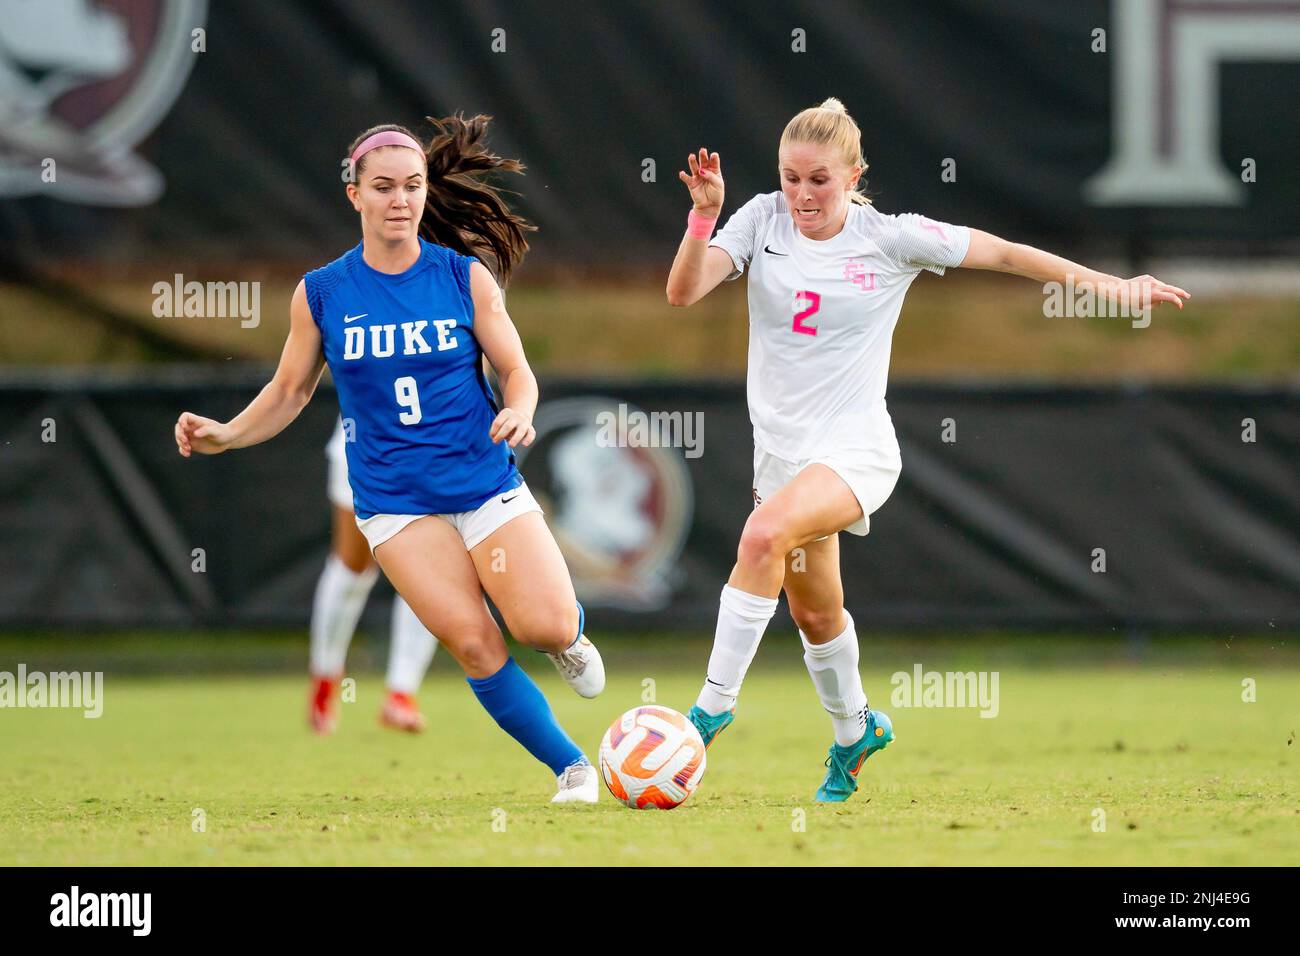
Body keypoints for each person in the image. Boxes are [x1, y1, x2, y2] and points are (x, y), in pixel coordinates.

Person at [665, 97, 1189, 802]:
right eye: (791, 178)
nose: (802, 195)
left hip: (855, 451)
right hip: (782, 458)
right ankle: (856, 731)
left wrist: (1110, 288)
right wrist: (704, 216)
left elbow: (1003, 253)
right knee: (814, 615)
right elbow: (683, 291)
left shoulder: (892, 237)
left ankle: (710, 710)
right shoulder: (761, 218)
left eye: (818, 179)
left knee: (759, 536)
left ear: (855, 175)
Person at [175, 114, 606, 803]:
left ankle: (569, 638)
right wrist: (226, 433)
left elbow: (517, 371)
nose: (400, 199)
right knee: (472, 643)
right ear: (355, 194)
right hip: (396, 503)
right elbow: (289, 391)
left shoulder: (464, 278)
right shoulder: (322, 292)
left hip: (482, 484)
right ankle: (573, 768)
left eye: (412, 185)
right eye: (384, 187)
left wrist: (519, 408)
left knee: (542, 625)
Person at [308, 417, 438, 735]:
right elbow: (291, 387)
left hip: (434, 443)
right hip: (363, 437)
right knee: (354, 566)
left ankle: (401, 693)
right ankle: (325, 678)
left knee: (428, 569)